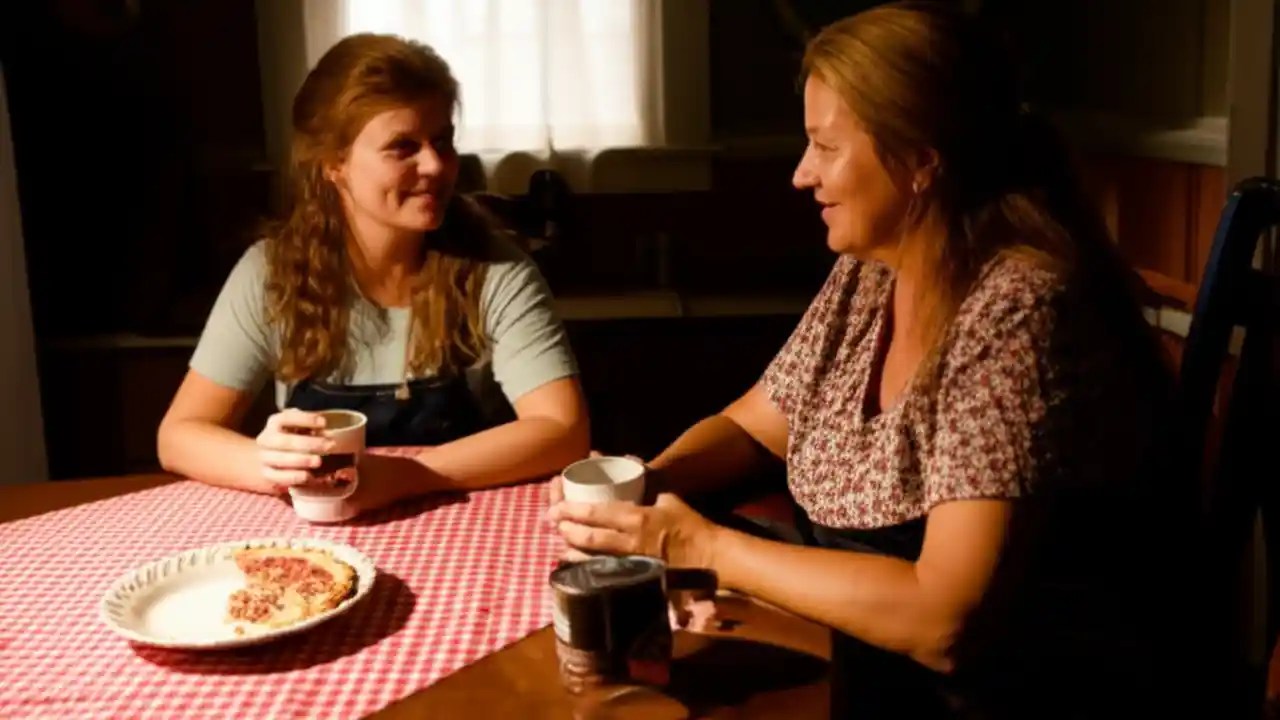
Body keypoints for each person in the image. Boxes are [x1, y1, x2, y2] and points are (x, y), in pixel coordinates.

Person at [548, 3, 1203, 717]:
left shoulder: (1017, 309)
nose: (801, 175)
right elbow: (752, 427)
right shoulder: (873, 272)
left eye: (826, 147)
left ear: (922, 160)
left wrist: (706, 546)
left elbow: (944, 621)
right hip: (861, 651)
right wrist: (645, 488)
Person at [158, 33, 590, 513]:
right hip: (323, 544)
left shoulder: (496, 270)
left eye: (442, 141)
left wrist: (412, 475)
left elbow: (563, 429)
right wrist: (269, 462)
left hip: (458, 521)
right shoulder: (271, 273)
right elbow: (179, 436)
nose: (436, 165)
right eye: (402, 147)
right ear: (333, 164)